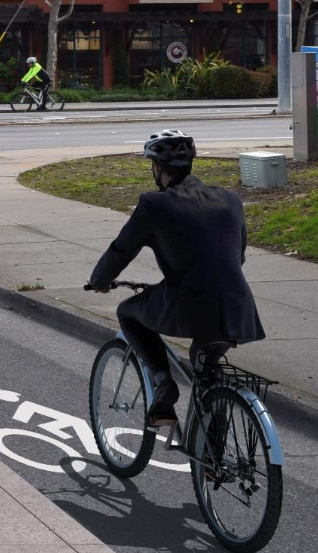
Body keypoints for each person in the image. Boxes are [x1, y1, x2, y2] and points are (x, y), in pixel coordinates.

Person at [88, 129, 265, 426]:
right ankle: (212, 457)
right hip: (238, 309)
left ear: (157, 167)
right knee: (206, 367)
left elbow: (121, 250)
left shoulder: (154, 204)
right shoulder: (230, 199)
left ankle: (163, 384)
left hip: (188, 304)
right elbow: (239, 254)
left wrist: (99, 281)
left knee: (127, 312)